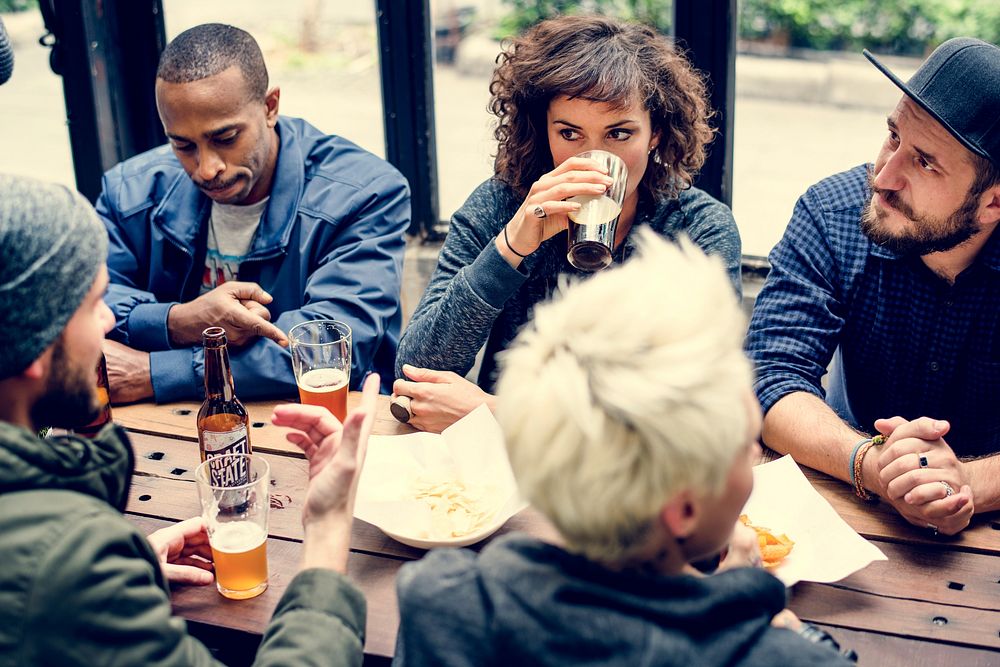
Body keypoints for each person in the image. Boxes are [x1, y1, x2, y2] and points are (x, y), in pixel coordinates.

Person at [393, 232, 852, 666]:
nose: (753, 453)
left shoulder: (438, 602)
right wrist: (760, 620)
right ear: (683, 510)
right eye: (741, 444)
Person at [0, 173, 381, 665]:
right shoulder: (63, 558)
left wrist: (125, 574)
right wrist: (328, 527)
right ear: (36, 345)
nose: (110, 322)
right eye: (93, 306)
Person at [392, 15, 741, 432]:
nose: (594, 160)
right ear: (544, 130)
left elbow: (699, 412)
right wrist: (509, 249)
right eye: (570, 134)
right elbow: (416, 370)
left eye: (619, 134)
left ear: (656, 134)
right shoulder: (503, 204)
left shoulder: (697, 229)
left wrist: (498, 414)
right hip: (496, 464)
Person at [745, 37, 1000, 536]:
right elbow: (770, 378)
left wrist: (965, 483)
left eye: (924, 163)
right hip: (853, 497)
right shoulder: (832, 213)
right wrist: (874, 465)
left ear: (992, 203)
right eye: (893, 136)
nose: (884, 176)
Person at [100, 23, 409, 403]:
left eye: (225, 138)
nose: (207, 169)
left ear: (269, 107)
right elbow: (81, 304)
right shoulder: (129, 191)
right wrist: (179, 321)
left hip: (314, 420)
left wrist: (154, 373)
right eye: (183, 145)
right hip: (168, 418)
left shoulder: (363, 194)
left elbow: (330, 348)